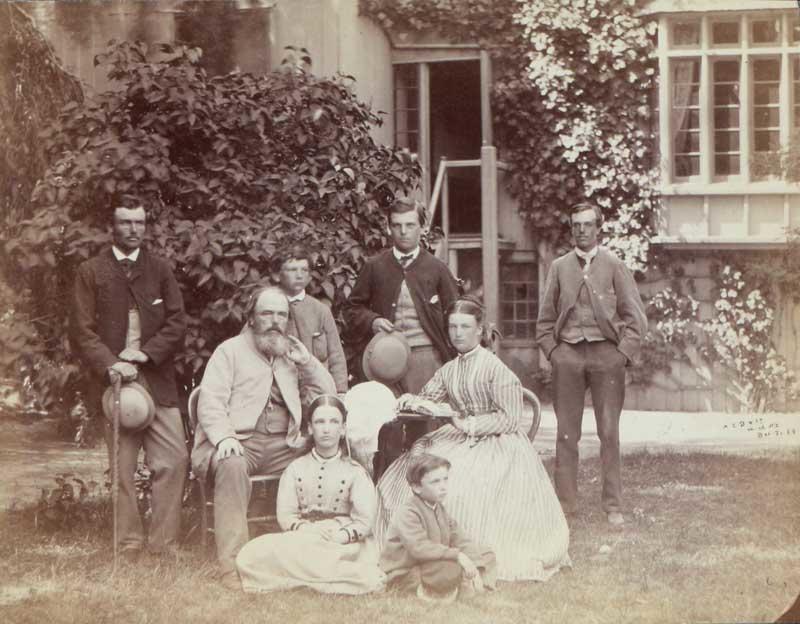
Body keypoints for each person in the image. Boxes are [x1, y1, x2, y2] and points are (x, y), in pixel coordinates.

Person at [375, 297, 570, 582]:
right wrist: (416, 402)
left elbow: (510, 418)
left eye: (465, 327)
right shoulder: (450, 369)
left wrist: (467, 423)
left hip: (498, 442)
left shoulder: (495, 369)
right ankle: (416, 547)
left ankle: (457, 549)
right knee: (414, 467)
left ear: (480, 330)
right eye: (453, 327)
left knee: (462, 481)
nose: (458, 333)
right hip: (455, 437)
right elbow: (429, 397)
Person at [191, 286, 336, 586]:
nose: (274, 321)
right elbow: (210, 401)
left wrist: (307, 362)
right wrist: (224, 438)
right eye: (267, 313)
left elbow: (327, 397)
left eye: (281, 315)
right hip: (239, 443)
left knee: (323, 460)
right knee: (231, 464)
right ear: (251, 318)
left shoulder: (290, 354)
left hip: (284, 445)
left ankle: (312, 554)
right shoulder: (229, 351)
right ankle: (234, 565)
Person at [70, 200, 188, 557]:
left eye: (139, 222)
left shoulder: (159, 269)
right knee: (122, 468)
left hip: (158, 380)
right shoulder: (91, 271)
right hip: (115, 384)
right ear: (113, 226)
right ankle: (128, 543)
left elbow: (177, 322)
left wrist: (146, 353)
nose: (133, 229)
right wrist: (111, 364)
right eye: (125, 222)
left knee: (175, 459)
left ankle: (163, 543)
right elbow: (81, 330)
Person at [536, 203, 647, 526]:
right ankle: (565, 505)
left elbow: (636, 318)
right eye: (576, 225)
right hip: (568, 355)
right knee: (566, 434)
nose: (582, 230)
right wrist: (554, 353)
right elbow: (545, 320)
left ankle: (613, 505)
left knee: (609, 433)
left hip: (605, 356)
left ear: (599, 227)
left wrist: (621, 354)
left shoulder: (614, 265)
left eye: (587, 224)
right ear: (571, 229)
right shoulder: (559, 267)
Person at [342, 197, 460, 473]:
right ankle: (387, 485)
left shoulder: (437, 268)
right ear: (388, 228)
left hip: (426, 361)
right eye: (397, 225)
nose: (403, 231)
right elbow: (351, 309)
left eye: (410, 225)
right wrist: (372, 321)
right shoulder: (375, 266)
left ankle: (426, 485)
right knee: (386, 427)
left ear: (423, 228)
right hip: (384, 363)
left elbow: (454, 312)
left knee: (426, 428)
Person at [235, 394, 384, 595]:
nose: (326, 429)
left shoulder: (356, 472)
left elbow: (365, 521)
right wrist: (306, 530)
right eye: (320, 422)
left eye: (334, 422)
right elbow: (286, 515)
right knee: (250, 554)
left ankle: (304, 577)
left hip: (342, 543)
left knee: (326, 555)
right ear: (310, 428)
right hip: (304, 537)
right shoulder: (295, 468)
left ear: (343, 429)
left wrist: (340, 536)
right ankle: (335, 579)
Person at [380, 453, 496, 603]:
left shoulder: (439, 508)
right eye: (435, 482)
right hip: (409, 569)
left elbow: (460, 538)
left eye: (445, 479)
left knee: (486, 553)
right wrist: (458, 556)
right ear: (416, 487)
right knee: (446, 569)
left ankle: (473, 582)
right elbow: (419, 547)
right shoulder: (408, 512)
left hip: (434, 562)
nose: (443, 487)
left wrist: (474, 564)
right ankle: (456, 587)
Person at [271, 244, 348, 393]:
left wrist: (340, 392)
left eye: (304, 270)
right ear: (277, 275)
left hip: (316, 389)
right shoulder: (267, 307)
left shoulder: (321, 310)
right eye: (293, 270)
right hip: (278, 390)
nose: (299, 275)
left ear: (310, 277)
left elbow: (336, 355)